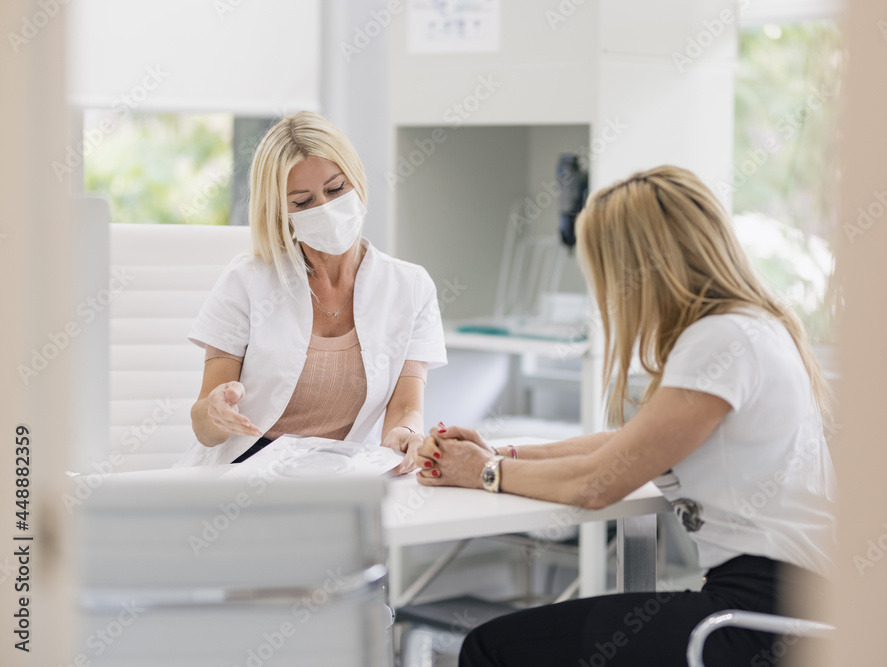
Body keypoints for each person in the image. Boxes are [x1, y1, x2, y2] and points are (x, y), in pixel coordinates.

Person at [415, 165, 836, 665]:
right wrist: (500, 452)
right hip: (787, 606)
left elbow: (597, 483)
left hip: (753, 618)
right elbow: (627, 444)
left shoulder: (720, 341)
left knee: (491, 649)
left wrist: (482, 472)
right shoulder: (749, 327)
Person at [179, 110, 446, 471]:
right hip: (240, 476)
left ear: (357, 179)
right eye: (303, 202)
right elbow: (205, 428)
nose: (327, 209)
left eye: (336, 189)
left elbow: (405, 408)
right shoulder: (248, 280)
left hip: (337, 480)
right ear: (279, 213)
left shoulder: (411, 288)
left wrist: (406, 433)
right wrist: (215, 413)